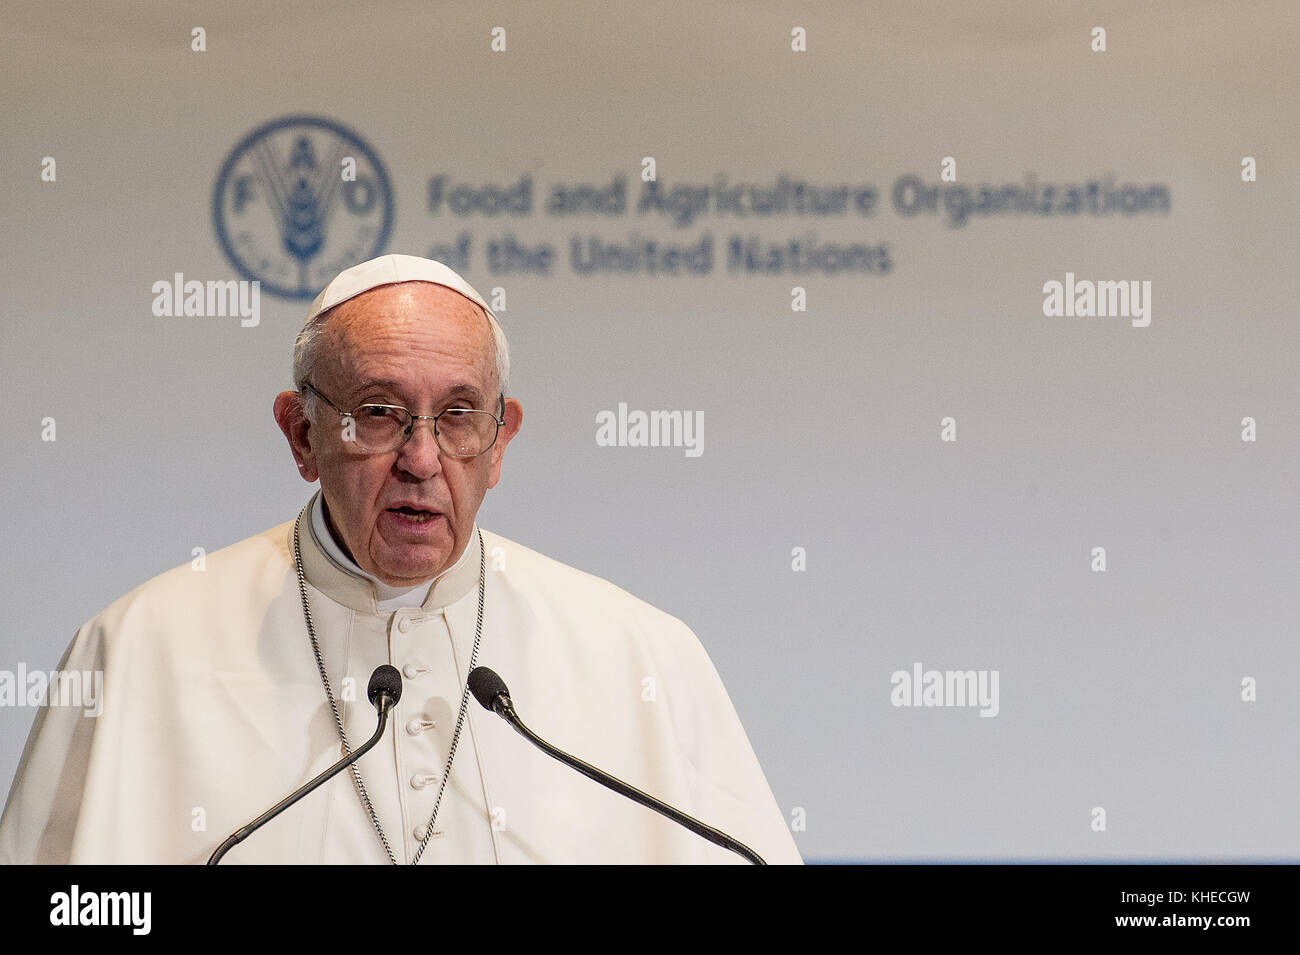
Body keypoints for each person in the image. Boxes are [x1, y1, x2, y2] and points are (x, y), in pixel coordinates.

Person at [0, 253, 802, 864]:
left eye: (458, 416)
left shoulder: (643, 655)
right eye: (379, 414)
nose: (422, 459)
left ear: (499, 442)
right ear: (301, 434)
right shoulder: (138, 648)